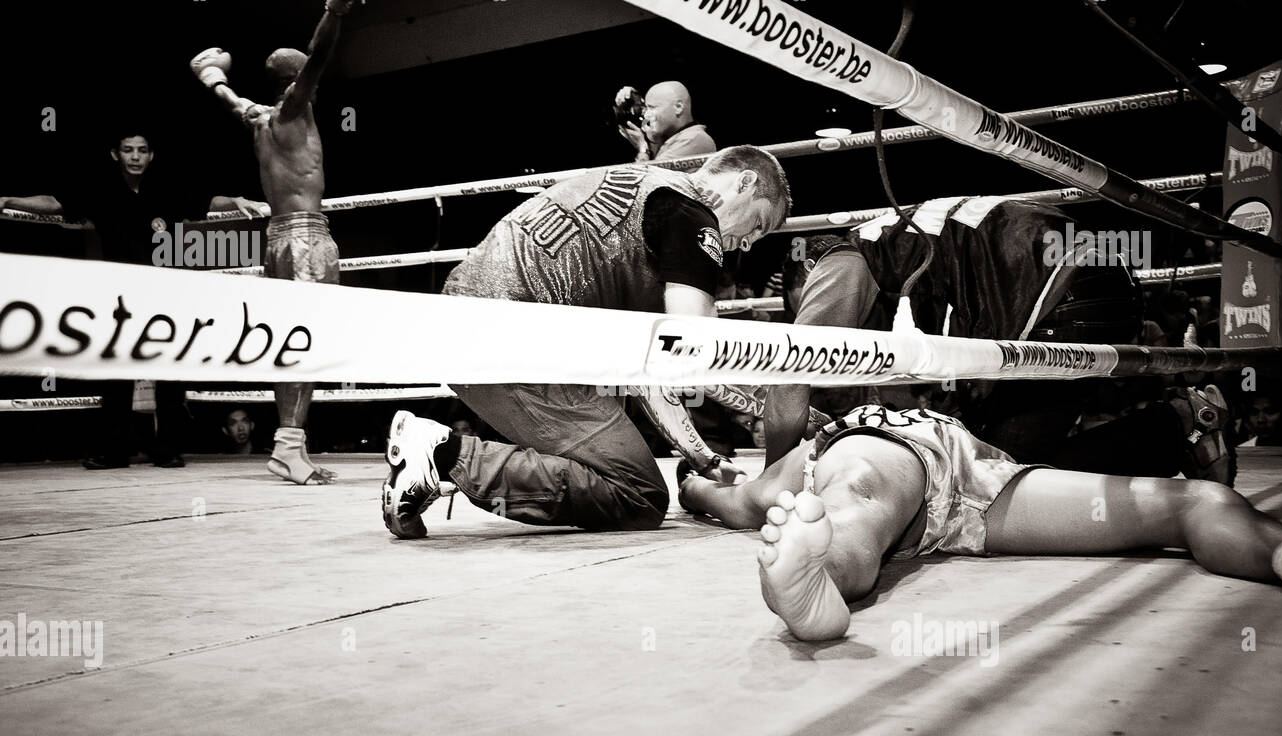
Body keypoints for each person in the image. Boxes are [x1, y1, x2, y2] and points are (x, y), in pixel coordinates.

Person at [381, 145, 791, 538]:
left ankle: (440, 457)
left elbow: (656, 376)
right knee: (640, 496)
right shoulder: (692, 213)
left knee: (624, 475)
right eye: (758, 224)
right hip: (515, 341)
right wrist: (801, 415)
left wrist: (704, 459)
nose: (750, 243)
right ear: (744, 182)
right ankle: (443, 455)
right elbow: (698, 345)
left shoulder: (647, 189)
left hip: (470, 325)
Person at [679, 403, 1282, 642]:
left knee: (855, 509)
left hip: (924, 465)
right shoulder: (826, 448)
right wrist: (700, 482)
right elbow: (731, 500)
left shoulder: (804, 455)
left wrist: (699, 483)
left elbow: (735, 503)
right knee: (1184, 502)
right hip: (977, 483)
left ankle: (818, 578)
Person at [765, 197, 1234, 484]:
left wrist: (773, 476)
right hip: (1088, 288)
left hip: (1058, 293)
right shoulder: (897, 267)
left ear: (806, 276)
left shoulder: (838, 259)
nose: (816, 317)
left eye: (803, 305)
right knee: (981, 457)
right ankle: (1180, 427)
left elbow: (792, 376)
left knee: (998, 480)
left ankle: (1178, 427)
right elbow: (900, 409)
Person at [0, 131, 265, 468]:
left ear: (151, 156)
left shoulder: (167, 190)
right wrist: (10, 200)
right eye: (128, 150)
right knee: (117, 370)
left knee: (168, 369)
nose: (135, 156)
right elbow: (54, 204)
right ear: (116, 155)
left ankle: (167, 449)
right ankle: (115, 451)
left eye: (141, 150)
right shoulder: (101, 192)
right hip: (120, 295)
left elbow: (207, 202)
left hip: (164, 290)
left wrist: (236, 200)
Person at [190, 0, 359, 484]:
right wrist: (335, 12)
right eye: (309, 76)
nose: (316, 80)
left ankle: (287, 446)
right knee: (307, 341)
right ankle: (288, 447)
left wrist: (211, 77)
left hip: (275, 241)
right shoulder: (293, 108)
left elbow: (228, 97)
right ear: (298, 80)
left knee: (291, 342)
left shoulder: (259, 117)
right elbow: (320, 51)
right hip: (307, 239)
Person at [614, 81, 716, 162]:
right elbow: (644, 121)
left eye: (652, 107)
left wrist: (643, 149)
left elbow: (646, 182)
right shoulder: (671, 140)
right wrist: (633, 99)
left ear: (678, 107)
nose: (646, 115)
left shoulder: (694, 139)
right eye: (646, 108)